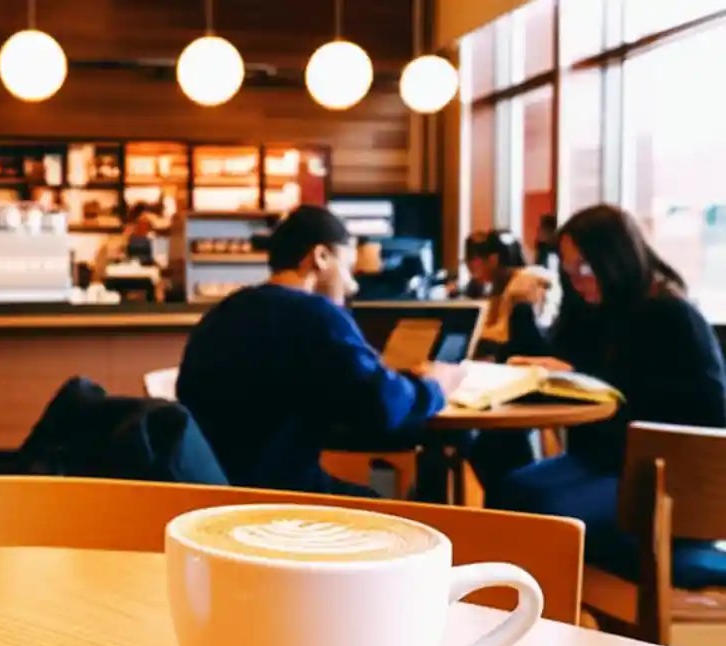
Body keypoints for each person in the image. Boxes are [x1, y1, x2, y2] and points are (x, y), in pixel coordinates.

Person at [473, 204, 726, 588]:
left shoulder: (669, 315)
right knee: (509, 493)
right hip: (604, 464)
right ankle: (526, 617)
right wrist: (524, 312)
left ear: (615, 260)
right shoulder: (594, 308)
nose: (577, 281)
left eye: (585, 269)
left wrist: (585, 378)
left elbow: (708, 414)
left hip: (663, 481)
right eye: (569, 270)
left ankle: (554, 620)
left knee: (536, 513)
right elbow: (561, 362)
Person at [176, 206, 465, 497]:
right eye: (348, 269)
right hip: (281, 499)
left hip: (215, 494)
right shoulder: (314, 313)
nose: (352, 285)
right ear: (321, 257)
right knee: (384, 506)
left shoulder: (223, 312)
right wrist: (434, 387)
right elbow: (381, 405)